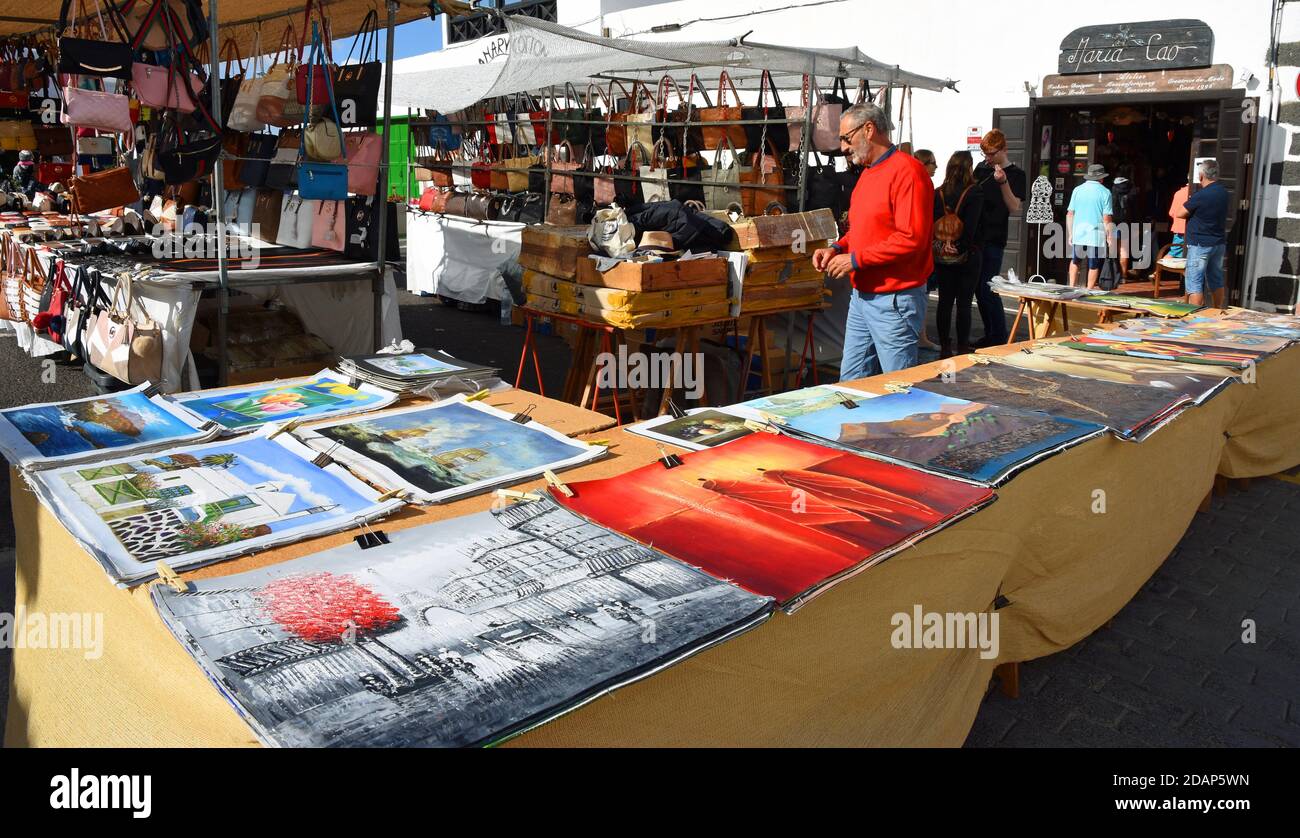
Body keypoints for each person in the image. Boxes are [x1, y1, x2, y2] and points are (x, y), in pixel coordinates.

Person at [812, 103, 934, 380]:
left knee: (899, 386)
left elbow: (911, 238)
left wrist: (854, 259)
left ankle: (904, 425)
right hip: (863, 296)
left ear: (869, 129)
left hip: (894, 299)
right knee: (852, 385)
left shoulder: (908, 172)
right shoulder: (868, 174)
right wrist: (837, 248)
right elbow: (864, 230)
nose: (843, 147)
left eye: (846, 138)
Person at [972, 130, 1025, 347]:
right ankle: (991, 332)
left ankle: (999, 335)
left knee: (988, 287)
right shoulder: (981, 168)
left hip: (994, 237)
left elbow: (1014, 207)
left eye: (992, 154)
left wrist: (1003, 183)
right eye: (985, 154)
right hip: (976, 235)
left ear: (1004, 150)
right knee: (978, 288)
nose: (988, 158)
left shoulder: (1016, 174)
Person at [931, 151, 984, 358]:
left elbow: (933, 224)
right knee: (964, 303)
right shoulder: (975, 192)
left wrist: (943, 245)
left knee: (944, 302)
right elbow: (971, 227)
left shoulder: (939, 192)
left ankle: (945, 347)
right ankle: (962, 347)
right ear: (968, 168)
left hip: (943, 253)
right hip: (967, 255)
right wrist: (960, 247)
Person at [1176, 159, 1229, 308]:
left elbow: (1180, 213)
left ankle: (1195, 316)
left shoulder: (1201, 195)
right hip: (1218, 243)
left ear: (1201, 176)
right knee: (1216, 279)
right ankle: (1218, 310)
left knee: (1194, 282)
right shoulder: (1223, 192)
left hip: (1200, 243)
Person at [1067, 164, 1114, 289]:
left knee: (1075, 261)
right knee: (1093, 265)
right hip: (1096, 235)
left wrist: (1071, 233)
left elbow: (1070, 213)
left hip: (1079, 232)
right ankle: (1088, 291)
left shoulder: (1077, 190)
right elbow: (1106, 217)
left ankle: (1071, 287)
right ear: (1102, 178)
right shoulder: (1106, 192)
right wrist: (1109, 236)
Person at [913, 148, 940, 351]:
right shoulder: (923, 183)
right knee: (921, 292)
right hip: (921, 246)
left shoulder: (926, 184)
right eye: (932, 163)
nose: (936, 167)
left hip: (924, 244)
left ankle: (920, 335)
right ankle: (919, 336)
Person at [1168, 181, 1191, 258]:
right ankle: (1158, 269)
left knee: (1173, 253)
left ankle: (1158, 269)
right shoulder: (1197, 193)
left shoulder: (1178, 193)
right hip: (1191, 230)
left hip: (1179, 228)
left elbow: (1171, 213)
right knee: (1173, 254)